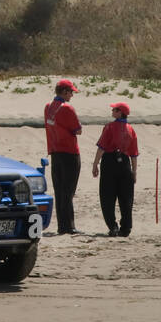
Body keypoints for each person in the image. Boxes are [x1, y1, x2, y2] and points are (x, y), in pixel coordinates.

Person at [92, 102, 138, 237]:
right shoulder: (131, 129)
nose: (112, 111)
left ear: (120, 112)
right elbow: (134, 154)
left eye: (114, 109)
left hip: (110, 162)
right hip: (124, 163)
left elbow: (101, 147)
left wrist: (95, 164)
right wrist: (134, 172)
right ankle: (126, 228)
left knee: (107, 196)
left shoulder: (110, 127)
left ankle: (113, 226)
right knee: (126, 198)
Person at [44, 79, 82, 235]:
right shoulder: (67, 108)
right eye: (71, 92)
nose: (72, 95)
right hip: (69, 152)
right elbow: (78, 130)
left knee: (59, 190)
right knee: (68, 190)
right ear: (65, 92)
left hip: (55, 151)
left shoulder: (48, 107)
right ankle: (69, 226)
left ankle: (62, 225)